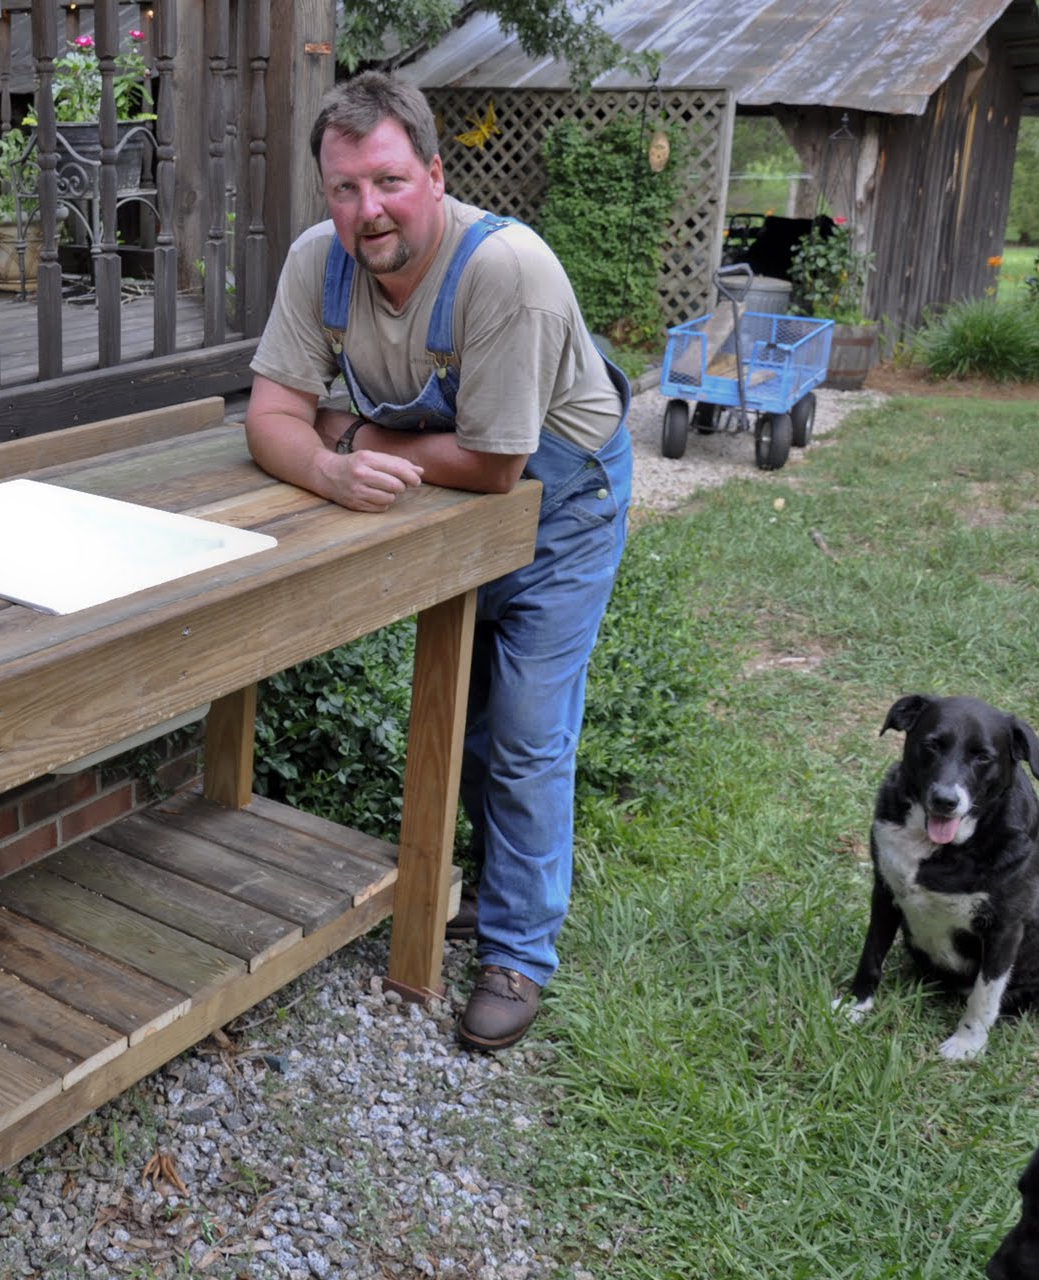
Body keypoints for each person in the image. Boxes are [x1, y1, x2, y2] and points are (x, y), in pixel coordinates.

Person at [245, 71, 633, 1051]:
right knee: (455, 714)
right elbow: (271, 418)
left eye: (384, 182)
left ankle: (518, 949)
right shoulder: (318, 264)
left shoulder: (508, 271)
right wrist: (332, 469)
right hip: (441, 491)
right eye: (343, 189)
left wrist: (357, 438)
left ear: (432, 173)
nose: (364, 210)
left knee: (529, 734)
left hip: (561, 499)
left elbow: (498, 465)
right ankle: (467, 890)